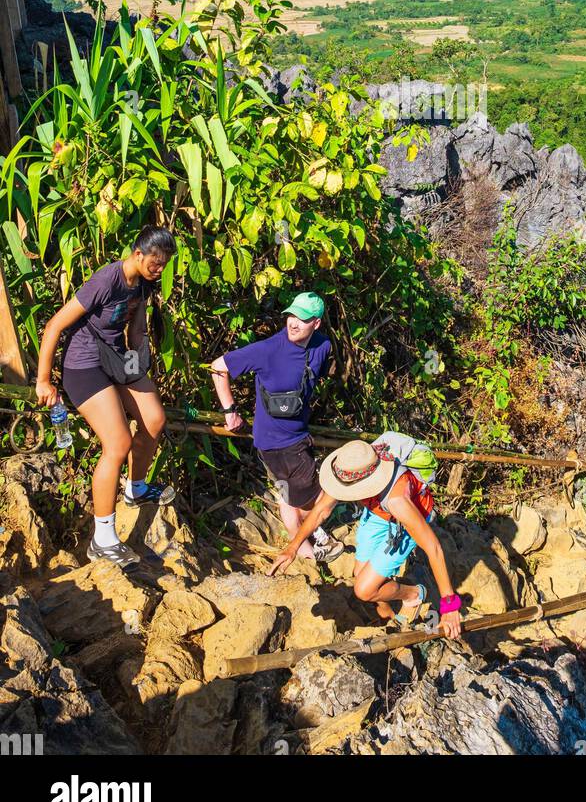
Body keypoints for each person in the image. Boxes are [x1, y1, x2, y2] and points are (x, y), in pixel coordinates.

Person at [36, 226, 177, 568]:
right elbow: (54, 326)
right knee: (117, 444)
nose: (159, 270)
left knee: (155, 420)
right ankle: (102, 538)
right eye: (155, 264)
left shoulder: (144, 284)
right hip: (83, 366)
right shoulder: (106, 280)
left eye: (164, 265)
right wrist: (43, 380)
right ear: (138, 254)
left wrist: (139, 361)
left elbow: (137, 328)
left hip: (117, 360)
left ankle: (137, 488)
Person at [268, 436, 463, 636]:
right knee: (359, 573)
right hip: (377, 511)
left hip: (405, 521)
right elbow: (320, 511)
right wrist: (292, 548)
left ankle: (413, 594)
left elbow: (434, 548)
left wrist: (450, 605)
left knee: (364, 590)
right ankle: (386, 613)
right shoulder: (354, 467)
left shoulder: (397, 500)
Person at [210, 291, 343, 564]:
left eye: (302, 319)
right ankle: (318, 538)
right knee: (320, 503)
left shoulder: (323, 346)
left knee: (287, 498)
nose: (293, 323)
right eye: (291, 315)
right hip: (281, 446)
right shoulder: (268, 349)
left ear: (316, 323)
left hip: (292, 438)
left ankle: (307, 558)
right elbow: (218, 367)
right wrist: (230, 412)